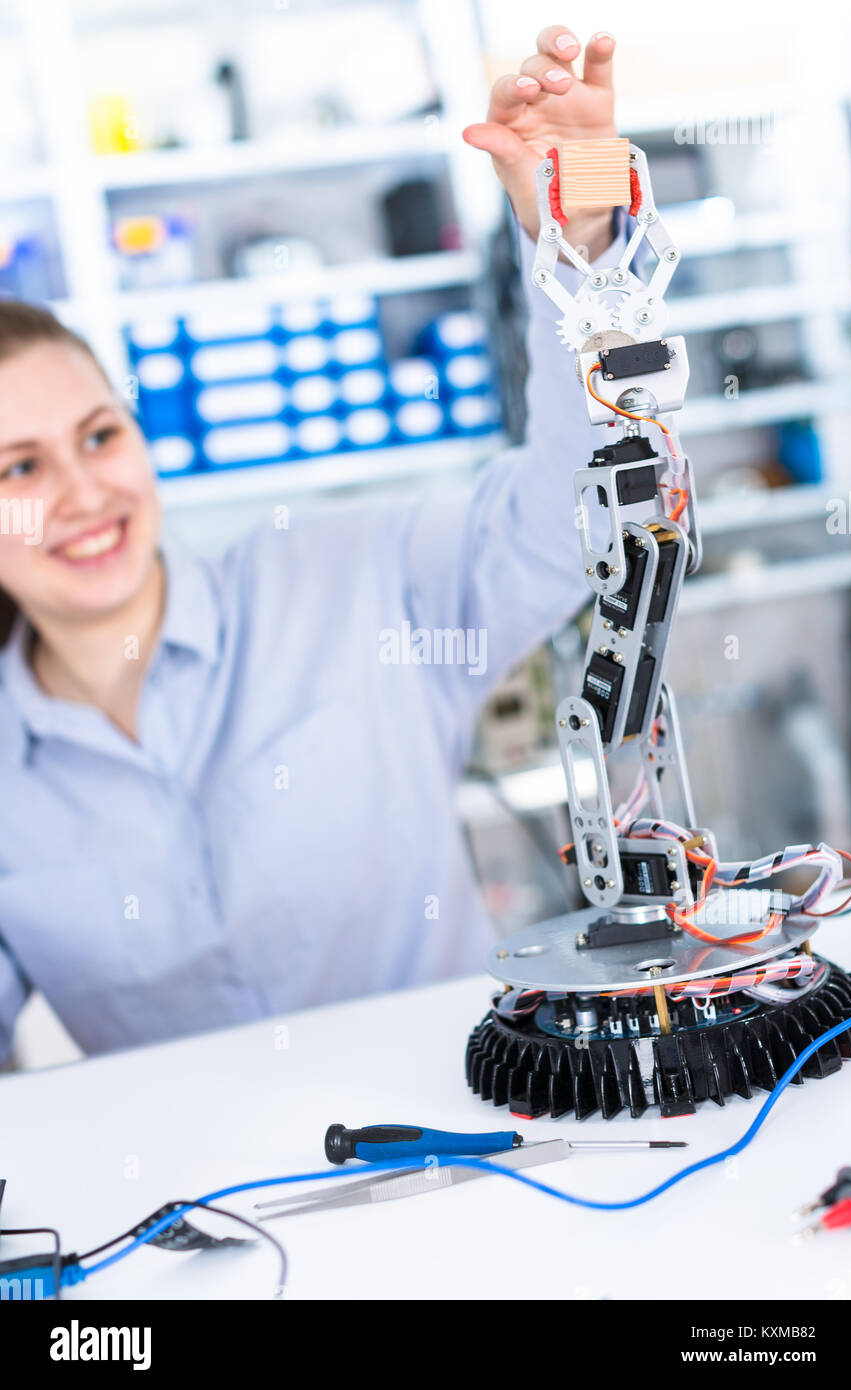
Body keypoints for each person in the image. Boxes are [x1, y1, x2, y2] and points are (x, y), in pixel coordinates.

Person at [0, 27, 622, 1061]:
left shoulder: (350, 576)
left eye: (100, 435)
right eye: (17, 466)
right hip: (187, 1213)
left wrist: (580, 225)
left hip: (476, 1156)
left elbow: (585, 511)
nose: (81, 492)